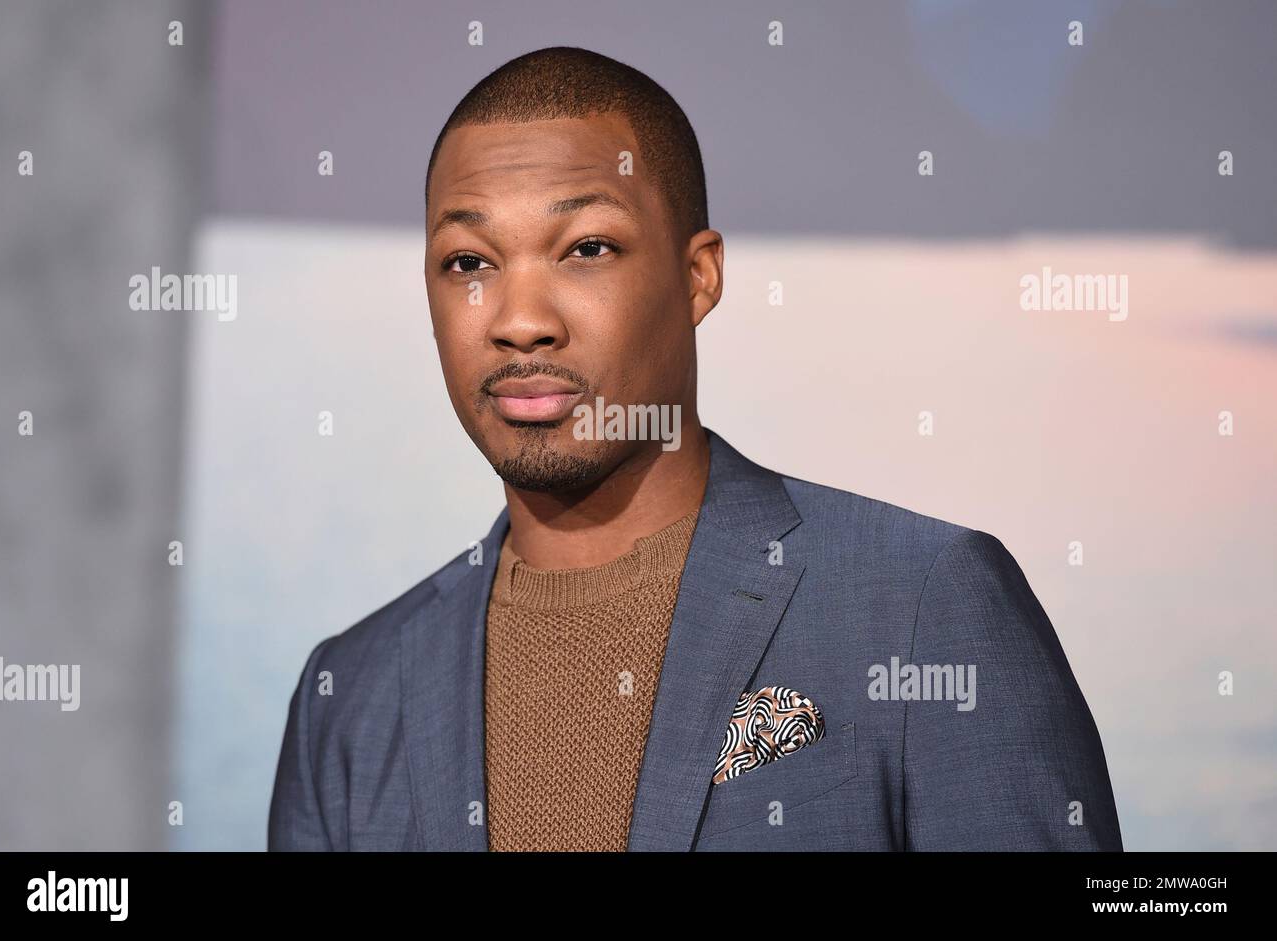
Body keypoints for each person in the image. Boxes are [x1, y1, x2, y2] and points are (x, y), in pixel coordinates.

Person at [268, 46, 1122, 852]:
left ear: (699, 277)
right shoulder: (351, 695)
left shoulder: (924, 604)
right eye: (467, 261)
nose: (519, 318)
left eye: (586, 249)